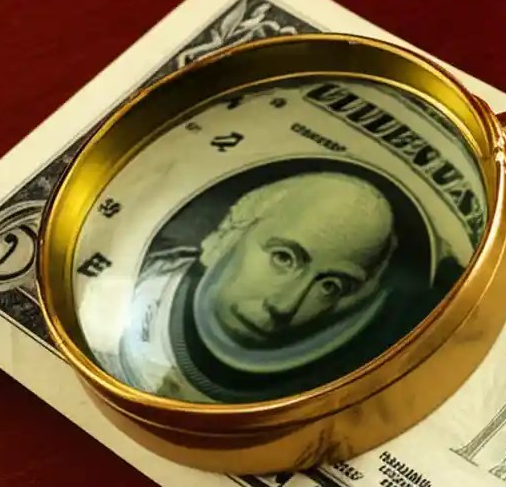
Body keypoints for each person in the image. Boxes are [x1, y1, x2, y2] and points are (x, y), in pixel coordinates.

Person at [109, 169, 462, 403]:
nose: (285, 305)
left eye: (330, 286)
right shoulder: (125, 280)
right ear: (232, 230)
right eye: (283, 258)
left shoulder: (337, 384)